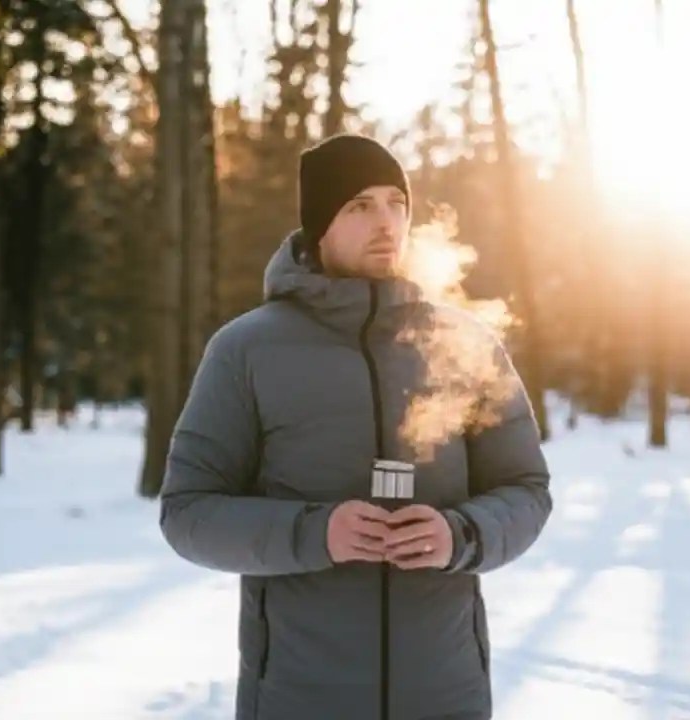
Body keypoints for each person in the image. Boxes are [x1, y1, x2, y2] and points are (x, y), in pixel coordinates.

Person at [159, 133, 552, 720]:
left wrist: (461, 535)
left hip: (444, 695)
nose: (386, 222)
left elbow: (526, 489)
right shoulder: (247, 349)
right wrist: (316, 533)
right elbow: (187, 511)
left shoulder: (464, 343)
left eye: (396, 202)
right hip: (300, 696)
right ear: (320, 224)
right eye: (359, 205)